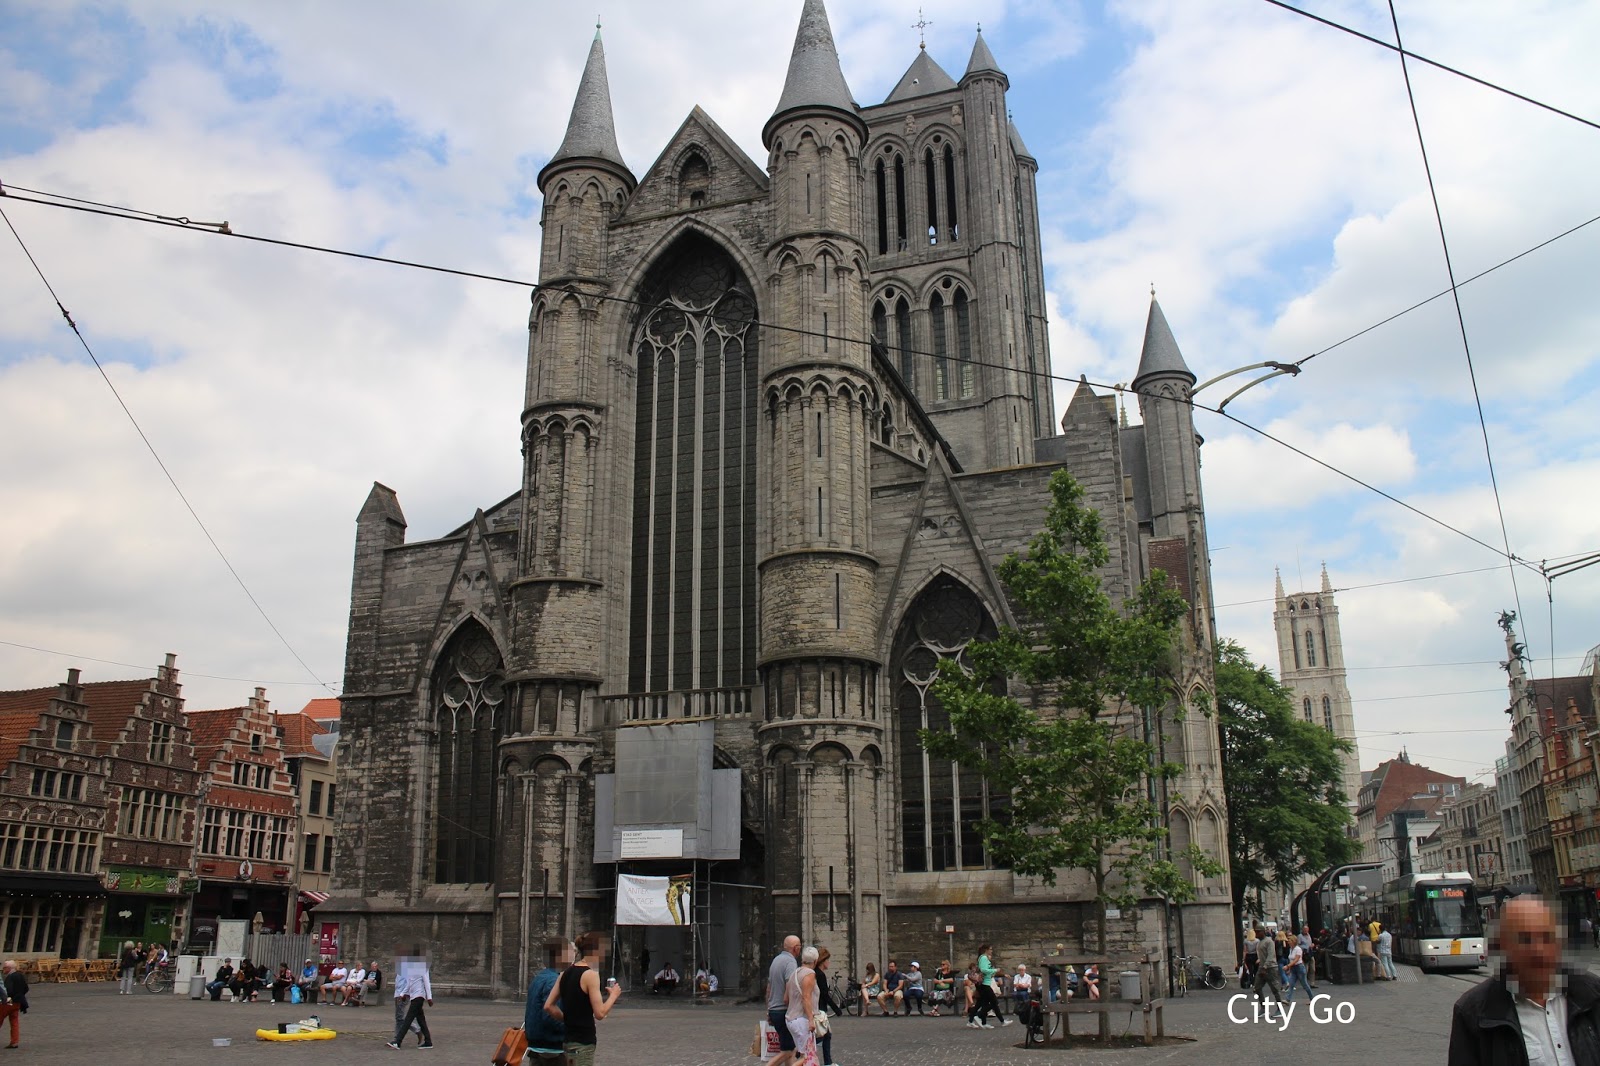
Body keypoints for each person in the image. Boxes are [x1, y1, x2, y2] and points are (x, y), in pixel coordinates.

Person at [1448, 895, 1600, 1066]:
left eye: (1547, 937)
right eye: (1524, 940)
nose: (1538, 951)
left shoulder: (1593, 995)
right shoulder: (1473, 1012)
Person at [543, 931, 621, 1066]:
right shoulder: (590, 974)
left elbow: (548, 1006)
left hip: (567, 1041)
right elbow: (600, 1013)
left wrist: (568, 1019)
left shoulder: (565, 973)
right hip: (583, 1043)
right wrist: (613, 995)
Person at [525, 938, 570, 1064]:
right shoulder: (553, 981)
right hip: (551, 1047)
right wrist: (572, 1026)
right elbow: (551, 1016)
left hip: (535, 1045)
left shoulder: (539, 977)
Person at [387, 950, 435, 1049]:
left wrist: (429, 998)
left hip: (419, 996)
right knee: (421, 1020)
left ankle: (398, 1041)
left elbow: (427, 983)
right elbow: (409, 984)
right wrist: (403, 994)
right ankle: (428, 1041)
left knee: (408, 1019)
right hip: (413, 997)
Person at [766, 936, 802, 1066]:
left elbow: (769, 988)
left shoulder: (776, 960)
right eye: (799, 946)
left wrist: (769, 1010)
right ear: (795, 948)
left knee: (788, 1049)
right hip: (784, 1010)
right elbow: (790, 988)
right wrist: (794, 1010)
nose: (800, 949)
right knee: (788, 1051)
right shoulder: (790, 963)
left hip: (775, 1010)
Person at [783, 947, 822, 1066]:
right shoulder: (810, 974)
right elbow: (806, 997)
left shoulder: (794, 973)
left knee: (805, 1055)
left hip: (791, 1019)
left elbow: (785, 999)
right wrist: (811, 1020)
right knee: (807, 1057)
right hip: (802, 1019)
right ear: (815, 961)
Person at [968, 945, 1010, 1028]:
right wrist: (995, 970)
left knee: (984, 1003)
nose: (992, 951)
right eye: (990, 949)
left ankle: (984, 1022)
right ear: (986, 950)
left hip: (985, 983)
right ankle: (978, 1016)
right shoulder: (983, 958)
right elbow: (984, 970)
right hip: (984, 984)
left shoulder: (983, 958)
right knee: (994, 1002)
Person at [814, 948, 839, 1066]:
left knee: (826, 1035)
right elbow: (825, 995)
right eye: (828, 960)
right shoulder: (820, 975)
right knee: (822, 1035)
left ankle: (828, 1062)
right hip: (819, 1009)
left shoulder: (816, 973)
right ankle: (799, 1054)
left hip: (818, 1008)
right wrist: (837, 1009)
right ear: (823, 961)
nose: (829, 962)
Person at [1252, 924, 1284, 1005]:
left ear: (1263, 932)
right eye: (1255, 932)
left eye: (1258, 932)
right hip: (1262, 967)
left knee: (1275, 989)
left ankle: (1280, 1008)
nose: (1256, 934)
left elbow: (1271, 955)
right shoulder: (1259, 942)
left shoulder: (1269, 941)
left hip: (1270, 968)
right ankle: (1263, 1007)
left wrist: (1265, 966)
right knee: (1257, 988)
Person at [1, 960, 27, 1049]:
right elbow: (26, 988)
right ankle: (14, 1041)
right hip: (17, 1002)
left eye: (4, 968)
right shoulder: (20, 975)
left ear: (9, 968)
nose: (3, 969)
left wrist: (7, 999)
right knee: (14, 1021)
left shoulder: (10, 977)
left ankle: (14, 1042)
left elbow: (8, 991)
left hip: (9, 1002)